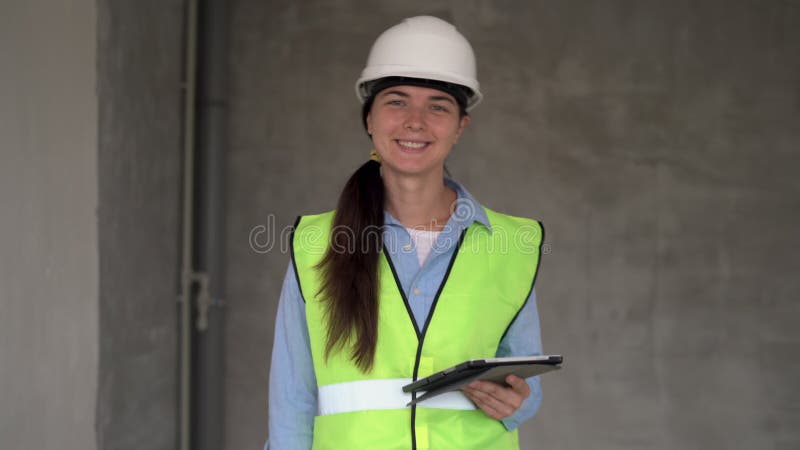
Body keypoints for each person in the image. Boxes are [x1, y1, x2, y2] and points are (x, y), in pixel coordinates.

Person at [267, 16, 546, 450]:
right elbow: (291, 401)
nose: (415, 121)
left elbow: (526, 388)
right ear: (369, 119)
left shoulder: (512, 245)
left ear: (460, 128)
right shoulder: (315, 245)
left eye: (438, 106)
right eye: (397, 102)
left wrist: (517, 400)